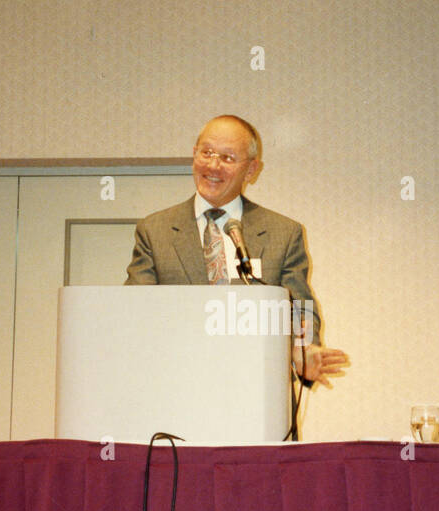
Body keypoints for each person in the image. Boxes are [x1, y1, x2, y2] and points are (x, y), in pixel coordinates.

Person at [125, 114, 348, 387]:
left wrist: (304, 348)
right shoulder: (154, 230)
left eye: (228, 158)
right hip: (176, 390)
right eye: (206, 153)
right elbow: (134, 311)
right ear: (194, 154)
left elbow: (299, 306)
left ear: (252, 169)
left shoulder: (284, 232)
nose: (213, 165)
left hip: (258, 393)